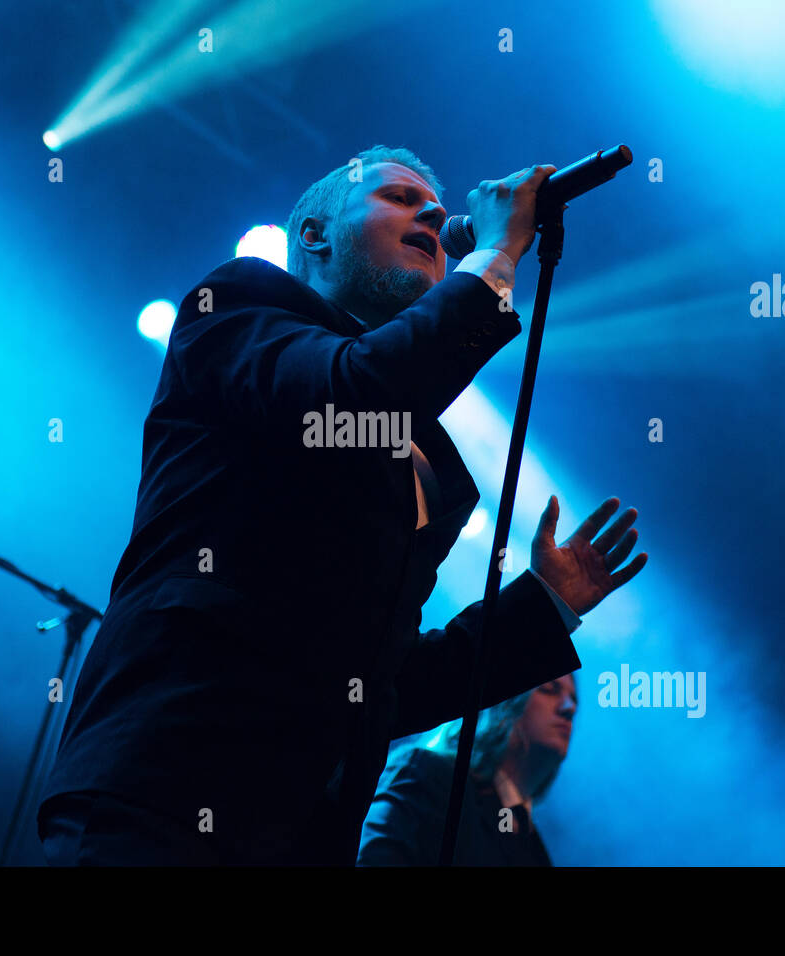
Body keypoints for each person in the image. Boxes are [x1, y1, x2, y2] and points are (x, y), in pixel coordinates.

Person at [38, 144, 647, 865]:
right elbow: (349, 392)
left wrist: (544, 605)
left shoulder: (431, 470)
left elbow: (381, 683)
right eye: (396, 196)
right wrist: (493, 261)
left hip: (307, 830)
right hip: (167, 782)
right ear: (314, 236)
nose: (431, 211)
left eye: (434, 205)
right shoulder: (236, 306)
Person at [359, 674, 577, 866]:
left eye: (574, 700)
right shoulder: (426, 772)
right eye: (550, 690)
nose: (569, 708)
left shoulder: (532, 844)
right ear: (504, 703)